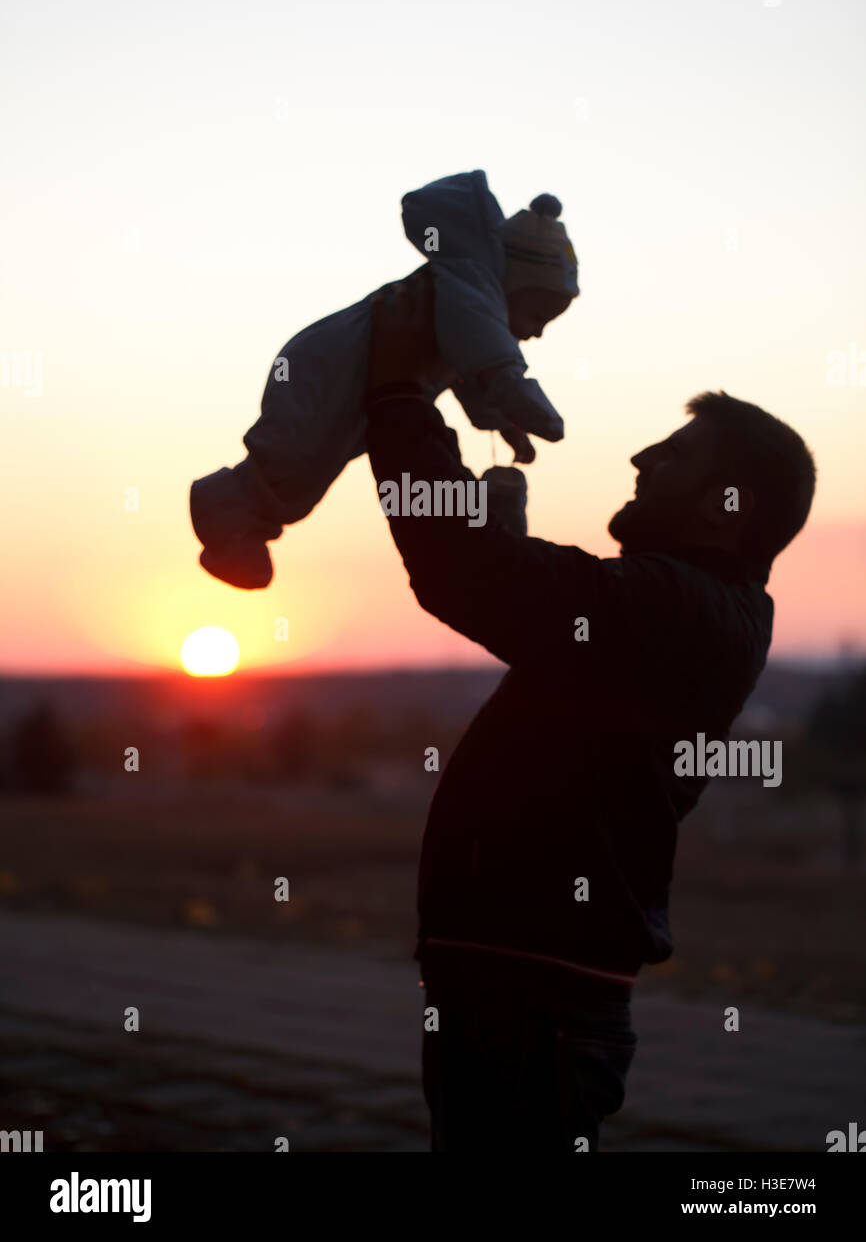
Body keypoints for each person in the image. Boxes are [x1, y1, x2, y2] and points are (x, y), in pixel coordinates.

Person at [364, 278, 816, 1153]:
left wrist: (394, 396)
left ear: (734, 507)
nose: (643, 458)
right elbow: (523, 598)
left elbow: (463, 573)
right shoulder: (683, 610)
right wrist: (502, 543)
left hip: (537, 1001)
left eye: (677, 454)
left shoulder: (682, 610)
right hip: (519, 989)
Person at [189, 171, 578, 589]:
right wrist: (534, 411)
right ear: (514, 283)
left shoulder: (471, 299)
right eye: (538, 317)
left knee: (310, 472)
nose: (536, 333)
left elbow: (475, 373)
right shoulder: (471, 289)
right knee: (292, 463)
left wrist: (504, 422)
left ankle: (244, 533)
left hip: (349, 378)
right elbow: (495, 364)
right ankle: (221, 518)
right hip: (327, 366)